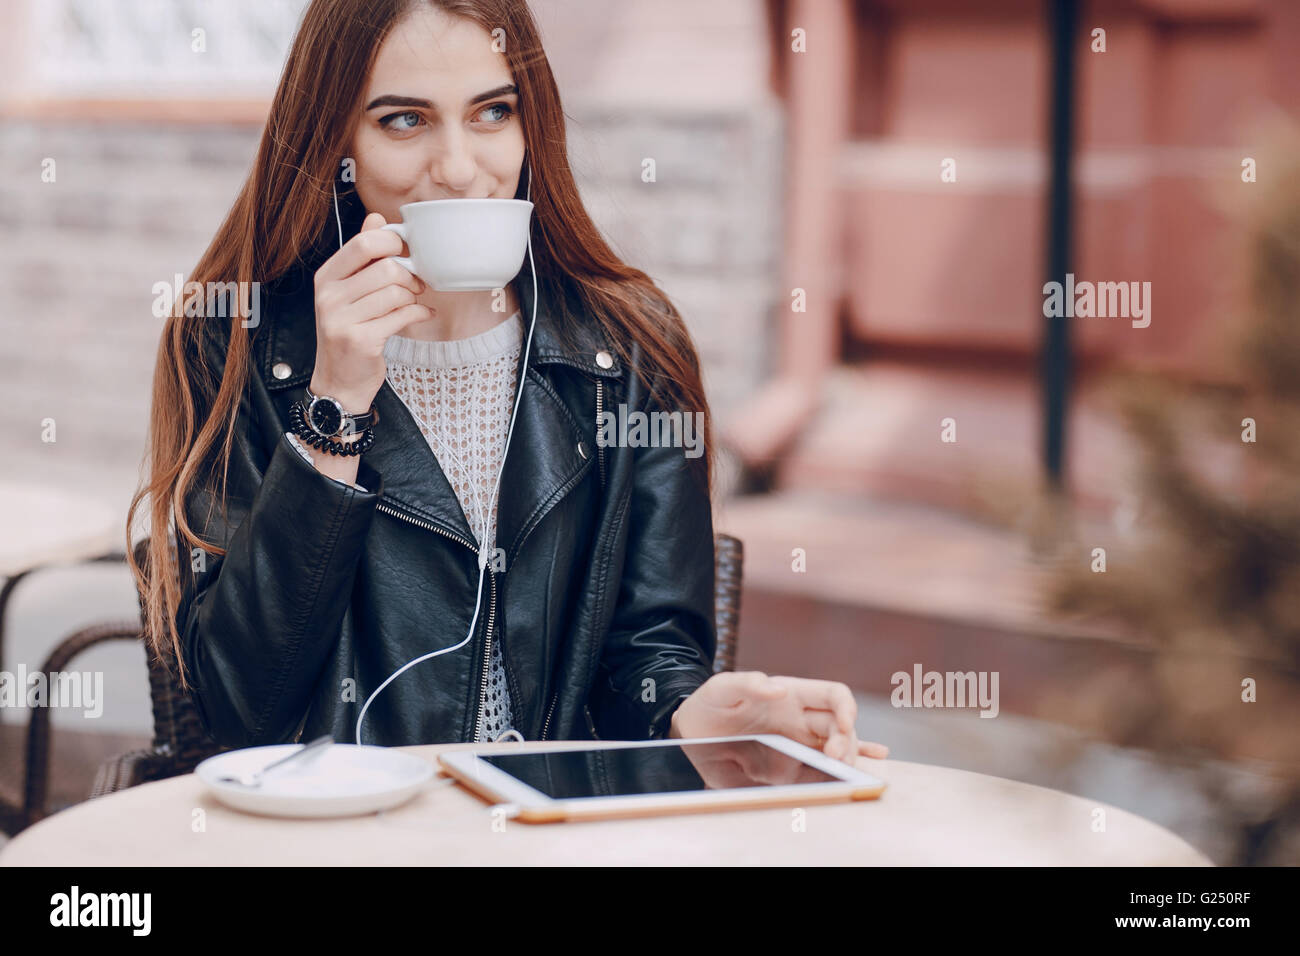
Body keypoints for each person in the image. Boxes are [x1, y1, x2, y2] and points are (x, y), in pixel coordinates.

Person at [127, 0, 888, 764]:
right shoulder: (233, 344)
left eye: (492, 112)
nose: (460, 169)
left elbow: (649, 663)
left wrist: (694, 713)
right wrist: (334, 408)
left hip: (551, 830)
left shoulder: (630, 352)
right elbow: (241, 709)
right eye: (403, 121)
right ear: (336, 143)